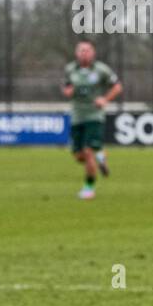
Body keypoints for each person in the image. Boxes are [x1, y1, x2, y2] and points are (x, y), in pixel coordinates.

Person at [63, 38, 121, 200]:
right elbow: (67, 87)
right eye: (81, 50)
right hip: (77, 116)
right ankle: (100, 155)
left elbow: (117, 86)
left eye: (87, 50)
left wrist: (105, 99)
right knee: (79, 156)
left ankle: (89, 188)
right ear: (76, 53)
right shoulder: (70, 69)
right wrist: (68, 91)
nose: (84, 53)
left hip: (94, 116)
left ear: (93, 53)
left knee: (88, 152)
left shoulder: (101, 70)